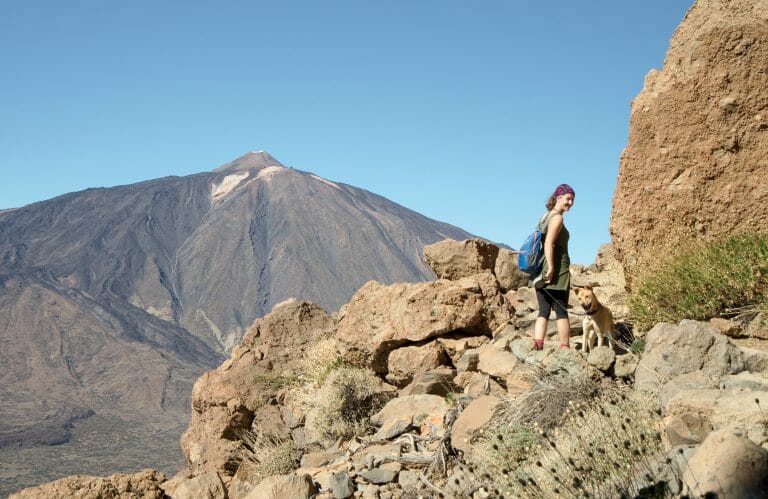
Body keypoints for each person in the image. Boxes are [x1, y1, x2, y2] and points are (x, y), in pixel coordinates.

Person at [531, 183, 575, 350]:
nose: (570, 202)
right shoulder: (557, 217)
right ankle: (565, 349)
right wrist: (551, 268)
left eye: (572, 200)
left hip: (540, 267)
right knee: (561, 311)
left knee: (543, 310)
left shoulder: (546, 216)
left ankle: (538, 346)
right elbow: (549, 243)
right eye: (568, 198)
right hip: (556, 270)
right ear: (558, 198)